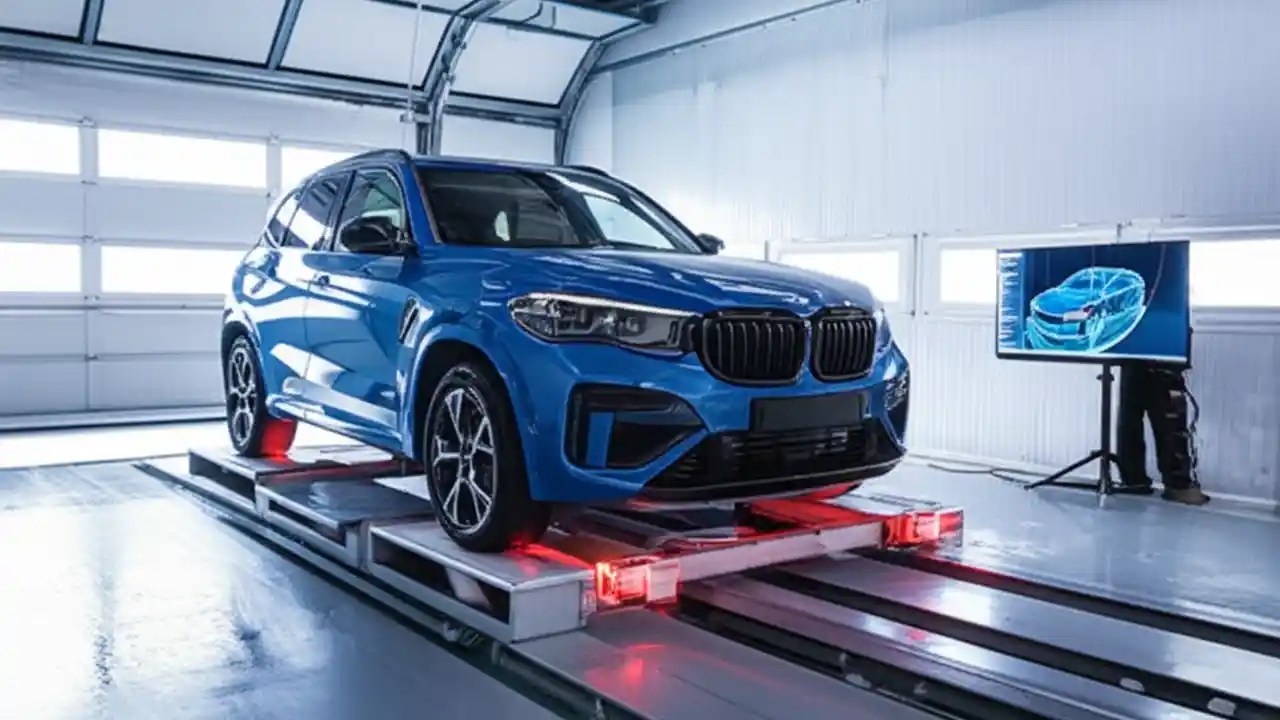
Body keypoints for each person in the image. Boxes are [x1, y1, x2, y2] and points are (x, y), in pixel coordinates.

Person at [1116, 363, 1210, 504]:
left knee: (1146, 412)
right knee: (1141, 414)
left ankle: (1140, 479)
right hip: (1153, 354)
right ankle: (1173, 483)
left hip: (1151, 352)